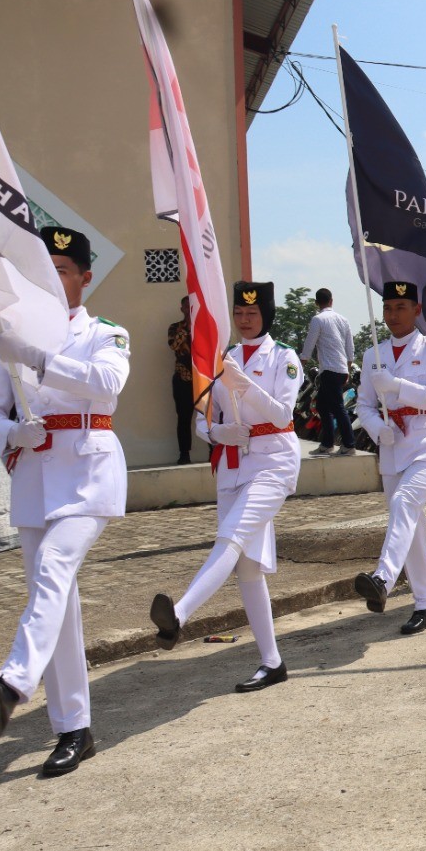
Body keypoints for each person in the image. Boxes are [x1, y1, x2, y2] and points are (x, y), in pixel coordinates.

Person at [0, 226, 129, 776]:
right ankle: (74, 729)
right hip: (34, 477)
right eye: (44, 273)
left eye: (61, 271)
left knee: (54, 569)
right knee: (55, 600)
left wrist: (35, 357)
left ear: (84, 277)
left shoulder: (105, 333)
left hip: (88, 472)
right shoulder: (10, 342)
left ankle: (11, 686)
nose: (53, 282)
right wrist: (12, 433)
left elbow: (105, 384)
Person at [149, 282, 302, 692]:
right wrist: (219, 432)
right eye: (239, 313)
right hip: (233, 465)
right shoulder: (223, 357)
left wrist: (244, 385)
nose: (245, 319)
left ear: (266, 315)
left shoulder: (284, 357)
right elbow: (203, 419)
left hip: (272, 461)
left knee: (230, 539)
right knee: (246, 567)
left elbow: (283, 413)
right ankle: (272, 662)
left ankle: (179, 614)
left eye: (253, 313)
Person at [350, 281, 426, 635]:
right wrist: (376, 427)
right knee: (410, 528)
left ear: (416, 310)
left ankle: (383, 578)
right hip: (392, 446)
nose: (393, 314)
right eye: (388, 308)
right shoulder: (373, 355)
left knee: (403, 503)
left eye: (400, 307)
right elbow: (364, 404)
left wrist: (397, 386)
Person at [302, 288, 356, 456]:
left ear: (316, 303)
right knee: (322, 405)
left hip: (329, 370)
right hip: (341, 369)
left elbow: (309, 345)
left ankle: (349, 444)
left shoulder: (318, 319)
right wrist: (347, 369)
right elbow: (350, 348)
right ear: (331, 301)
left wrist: (300, 362)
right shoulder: (343, 320)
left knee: (337, 407)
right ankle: (327, 443)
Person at [168, 296, 195, 464]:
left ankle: (213, 452)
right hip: (182, 379)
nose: (189, 310)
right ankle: (184, 454)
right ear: (182, 309)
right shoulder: (175, 327)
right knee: (184, 418)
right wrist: (187, 327)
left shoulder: (205, 326)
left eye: (192, 307)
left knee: (210, 417)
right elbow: (173, 345)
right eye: (186, 307)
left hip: (204, 380)